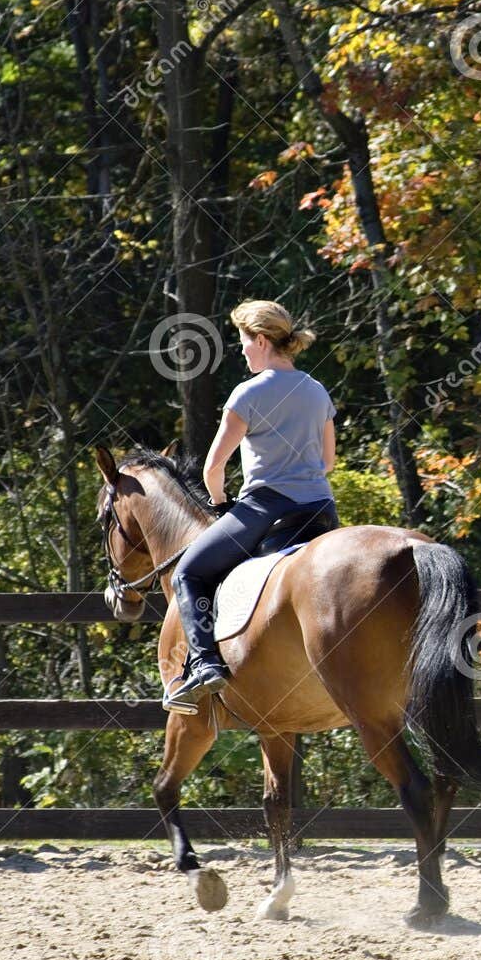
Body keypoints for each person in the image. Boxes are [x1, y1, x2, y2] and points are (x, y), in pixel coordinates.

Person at [164, 299, 340, 708]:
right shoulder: (317, 391)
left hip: (265, 509)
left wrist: (221, 501)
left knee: (188, 573)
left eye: (243, 341)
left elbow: (213, 467)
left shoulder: (248, 393)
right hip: (320, 510)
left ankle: (205, 663)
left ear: (260, 340)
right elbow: (327, 462)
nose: (241, 349)